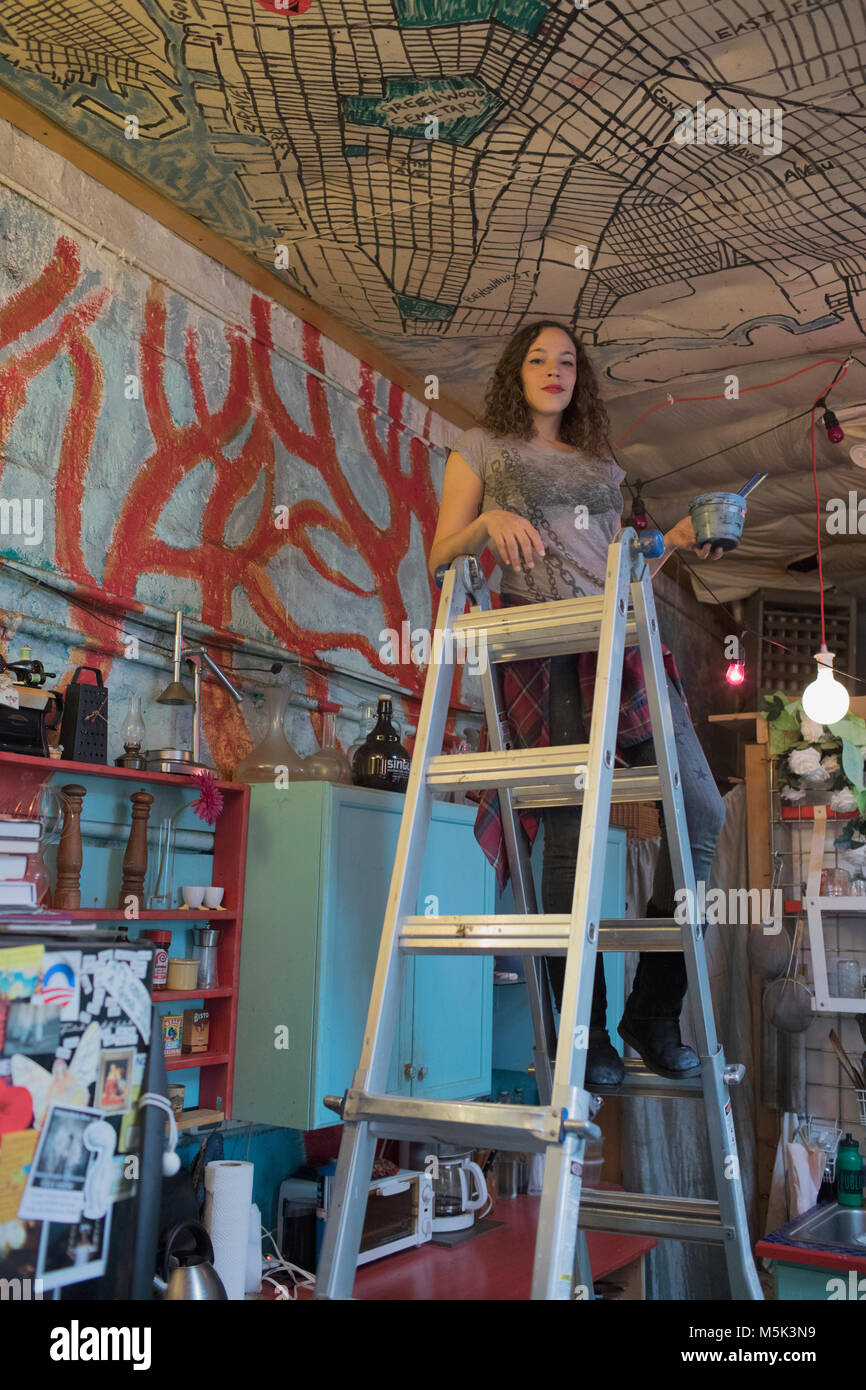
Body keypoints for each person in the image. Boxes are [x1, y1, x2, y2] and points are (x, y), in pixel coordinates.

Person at [427, 320, 725, 1090]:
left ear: (580, 379)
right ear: (514, 372)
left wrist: (681, 539)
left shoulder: (604, 466)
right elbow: (438, 554)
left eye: (567, 362)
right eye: (537, 359)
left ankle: (652, 1011)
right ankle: (580, 1033)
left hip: (624, 642)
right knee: (568, 842)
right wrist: (487, 521)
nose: (554, 371)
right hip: (546, 645)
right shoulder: (482, 447)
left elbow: (627, 561)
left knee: (701, 810)